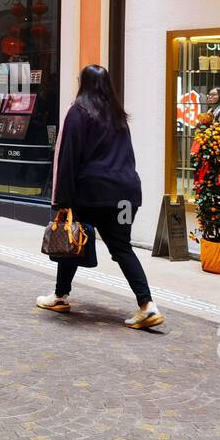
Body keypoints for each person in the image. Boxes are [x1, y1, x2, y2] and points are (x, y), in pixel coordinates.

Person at [37, 64, 163, 330]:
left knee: (71, 237)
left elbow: (67, 159)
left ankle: (60, 296)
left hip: (94, 194)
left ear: (83, 83)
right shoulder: (118, 116)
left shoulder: (78, 112)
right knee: (122, 248)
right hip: (127, 195)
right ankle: (147, 305)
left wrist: (61, 202)